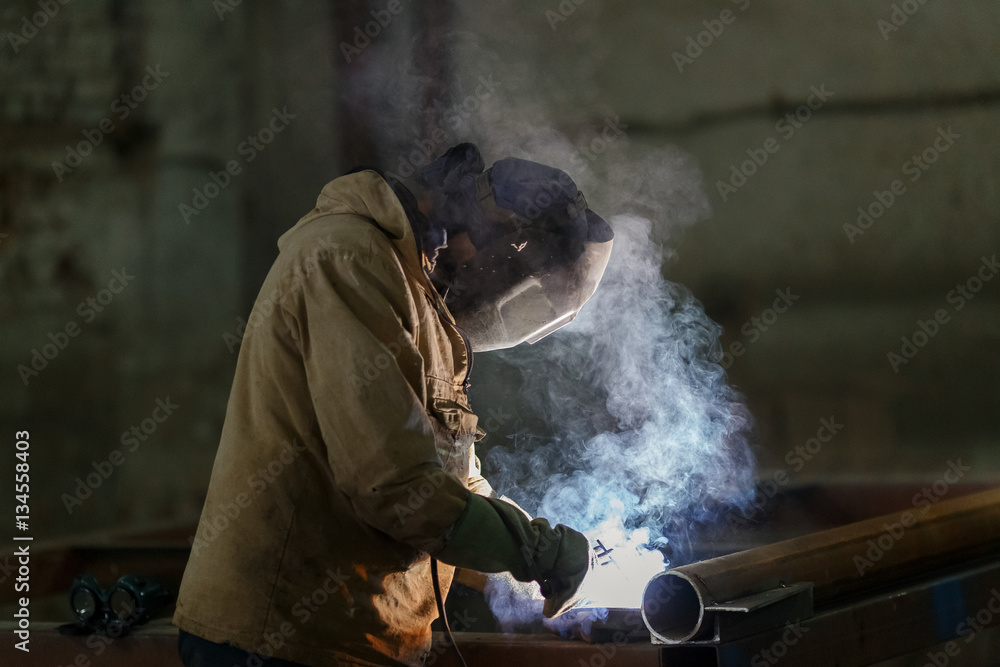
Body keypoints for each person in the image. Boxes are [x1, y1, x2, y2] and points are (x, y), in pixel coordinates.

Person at [172, 143, 615, 667]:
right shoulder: (349, 259)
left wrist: (528, 566)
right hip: (284, 639)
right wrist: (537, 552)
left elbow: (450, 479)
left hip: (351, 636)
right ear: (489, 236)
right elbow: (395, 485)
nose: (490, 288)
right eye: (509, 275)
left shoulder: (414, 286)